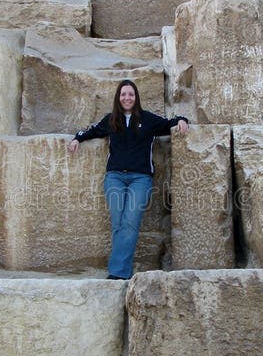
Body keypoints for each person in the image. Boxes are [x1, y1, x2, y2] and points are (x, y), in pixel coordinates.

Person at [68, 79, 189, 280]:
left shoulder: (148, 120)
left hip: (140, 179)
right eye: (123, 94)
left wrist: (183, 120)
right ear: (118, 98)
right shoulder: (110, 120)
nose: (127, 98)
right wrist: (77, 138)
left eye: (130, 94)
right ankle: (122, 271)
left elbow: (170, 124)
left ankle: (118, 273)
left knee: (130, 222)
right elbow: (91, 130)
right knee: (118, 224)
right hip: (114, 178)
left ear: (136, 97)